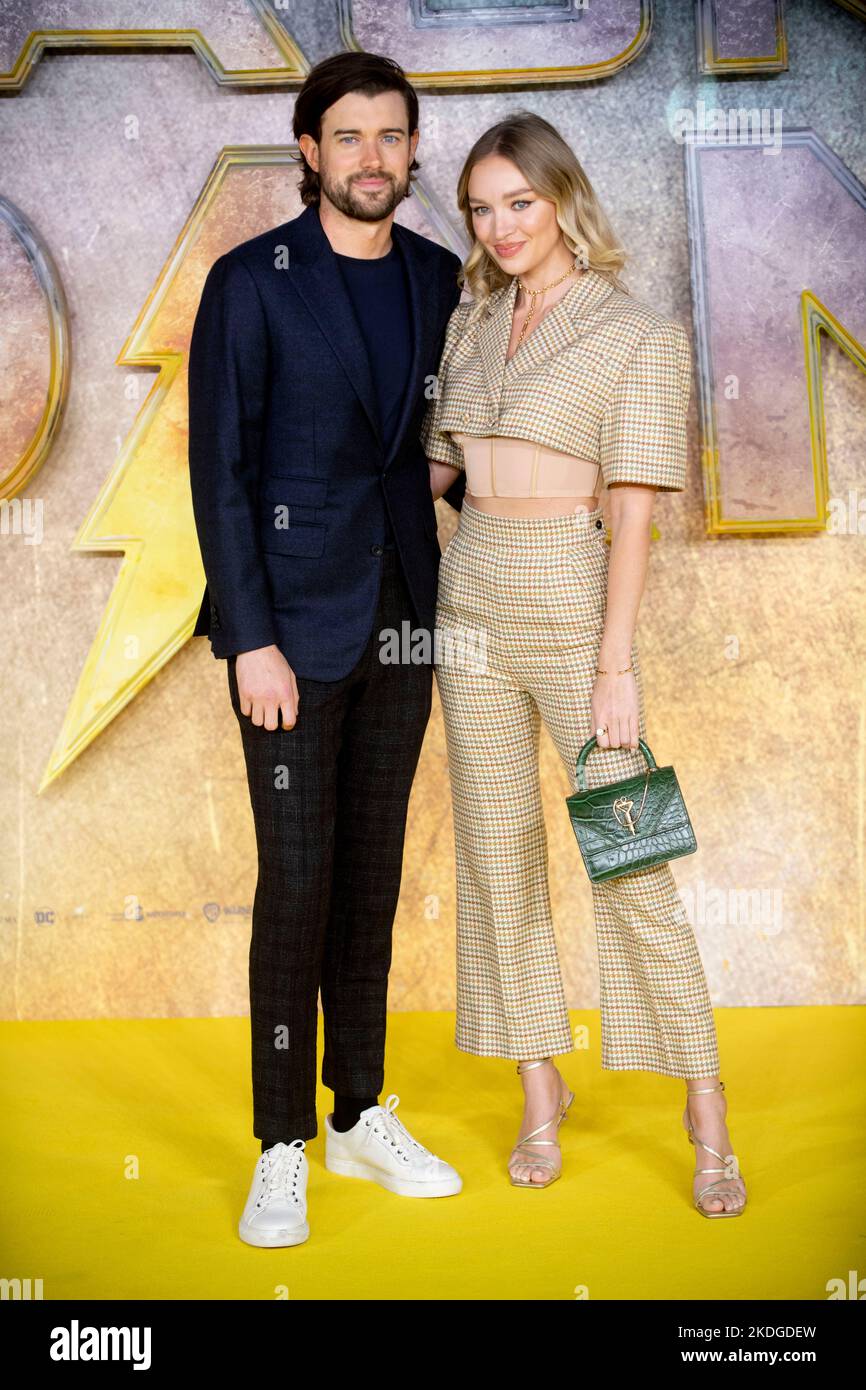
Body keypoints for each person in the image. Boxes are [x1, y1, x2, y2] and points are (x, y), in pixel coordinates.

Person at [421, 112, 747, 1217]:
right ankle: (536, 1088)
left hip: (572, 595)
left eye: (519, 201)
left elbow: (635, 511)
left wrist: (617, 663)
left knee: (631, 851)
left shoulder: (635, 334)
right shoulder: (468, 325)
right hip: (468, 603)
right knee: (496, 856)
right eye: (480, 207)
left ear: (561, 198)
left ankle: (705, 1118)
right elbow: (433, 480)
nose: (500, 226)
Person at [187, 51, 466, 1248]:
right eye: (346, 137)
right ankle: (282, 1142)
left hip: (404, 616)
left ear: (411, 151)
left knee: (369, 881)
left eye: (389, 137)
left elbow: (437, 441)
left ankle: (356, 1114)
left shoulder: (441, 275)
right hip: (288, 638)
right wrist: (250, 639)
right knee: (296, 887)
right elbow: (221, 471)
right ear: (308, 151)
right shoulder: (251, 282)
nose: (370, 158)